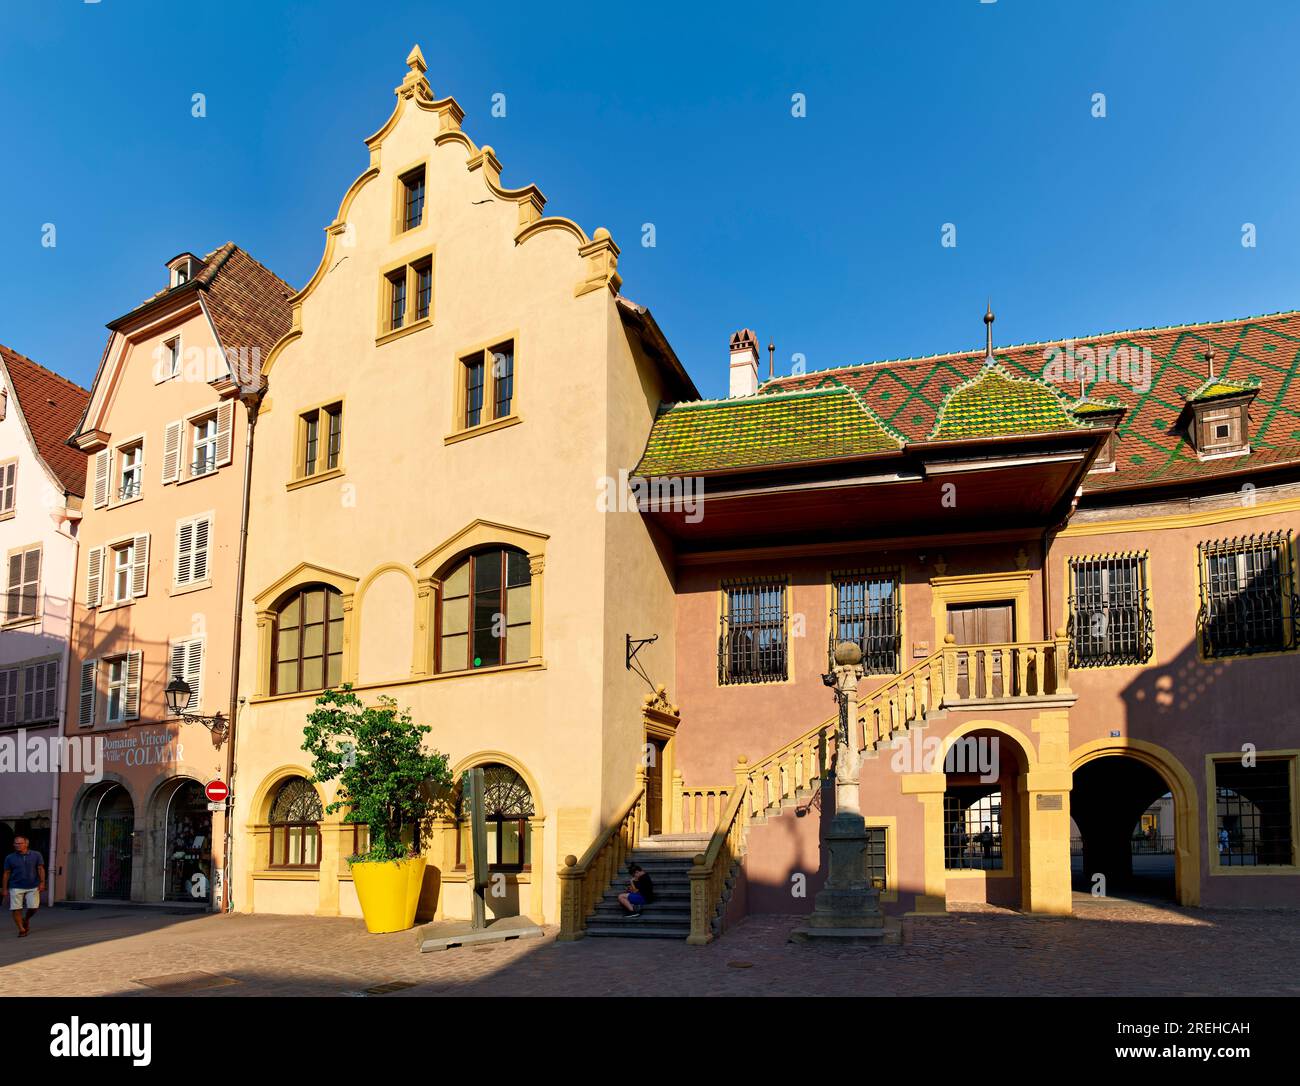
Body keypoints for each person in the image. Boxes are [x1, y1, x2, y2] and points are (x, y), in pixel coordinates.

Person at [2, 836, 46, 938]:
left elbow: (40, 869)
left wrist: (42, 883)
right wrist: (4, 888)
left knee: (33, 907)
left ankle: (25, 919)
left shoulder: (36, 855)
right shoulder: (10, 857)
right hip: (15, 886)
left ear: (26, 844)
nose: (17, 845)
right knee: (16, 908)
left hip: (33, 885)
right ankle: (21, 929)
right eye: (16, 843)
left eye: (20, 843)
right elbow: (6, 873)